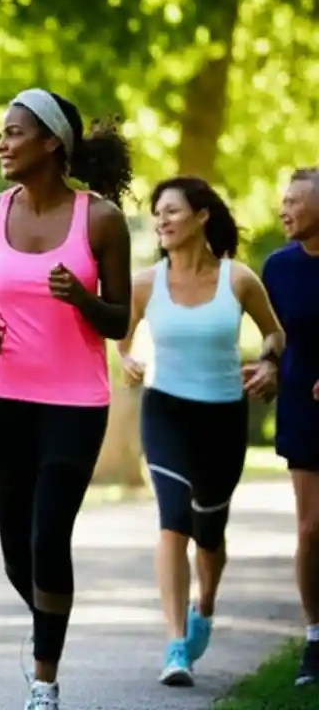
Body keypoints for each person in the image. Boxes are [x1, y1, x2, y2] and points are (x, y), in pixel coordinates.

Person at [0, 88, 133, 710]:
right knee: (17, 554)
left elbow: (119, 320)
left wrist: (81, 299)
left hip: (76, 404)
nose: (1, 144)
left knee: (47, 538)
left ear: (52, 143)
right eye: (2, 133)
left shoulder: (101, 220)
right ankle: (50, 623)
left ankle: (44, 681)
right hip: (4, 398)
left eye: (13, 133)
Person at [116, 176, 283, 686]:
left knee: (209, 533)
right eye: (157, 213)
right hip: (165, 410)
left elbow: (274, 332)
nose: (161, 221)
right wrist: (126, 358)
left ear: (201, 216)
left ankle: (203, 608)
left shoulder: (238, 280)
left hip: (223, 417)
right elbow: (121, 333)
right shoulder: (146, 283)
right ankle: (175, 645)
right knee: (173, 521)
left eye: (171, 211)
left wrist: (270, 363)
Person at [263, 166, 319, 686]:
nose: (284, 210)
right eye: (284, 201)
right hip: (304, 408)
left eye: (294, 202)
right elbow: (273, 335)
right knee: (310, 528)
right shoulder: (278, 268)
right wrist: (265, 365)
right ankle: (315, 638)